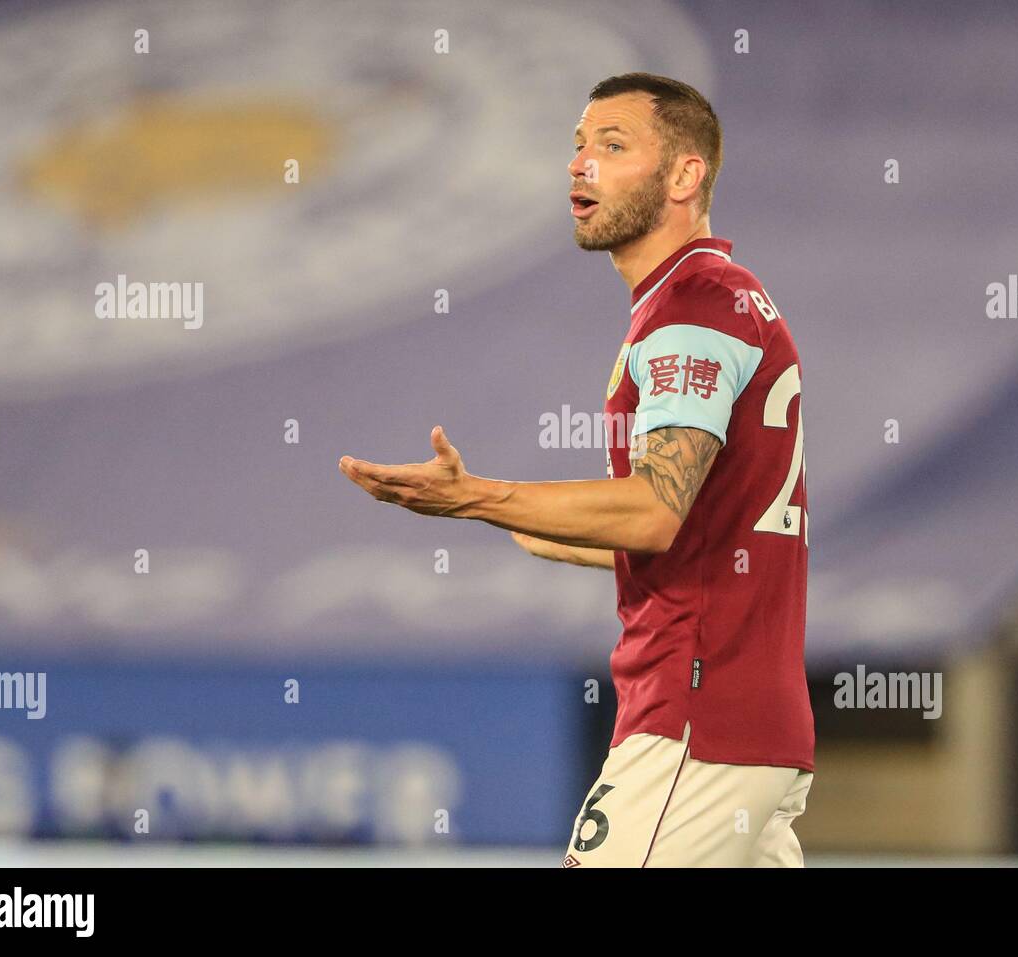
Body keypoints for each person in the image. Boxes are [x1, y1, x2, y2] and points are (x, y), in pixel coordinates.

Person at [340, 72, 815, 867]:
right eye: (578, 146)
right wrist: (507, 515)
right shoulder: (714, 298)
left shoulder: (694, 308)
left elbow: (654, 511)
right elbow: (696, 534)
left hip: (695, 726)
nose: (580, 165)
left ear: (684, 175)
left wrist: (479, 497)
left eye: (612, 145)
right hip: (748, 728)